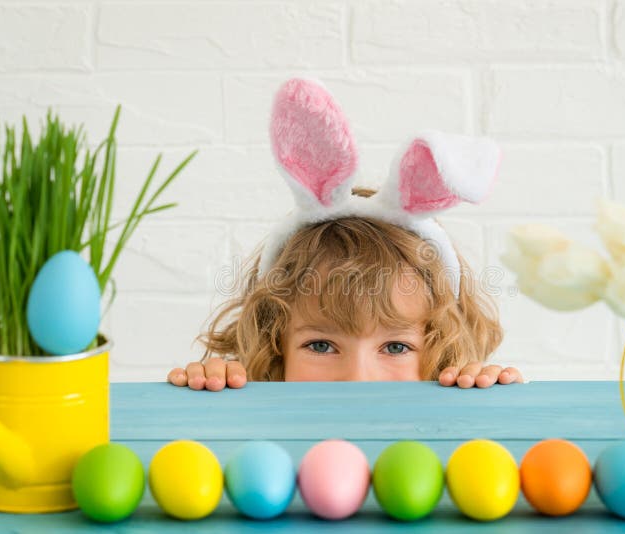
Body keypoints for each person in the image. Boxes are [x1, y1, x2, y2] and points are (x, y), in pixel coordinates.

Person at [167, 78, 523, 391]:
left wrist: (477, 402)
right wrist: (218, 393)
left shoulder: (451, 418)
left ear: (441, 347)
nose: (358, 379)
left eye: (396, 347)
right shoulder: (257, 421)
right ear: (274, 346)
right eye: (321, 345)